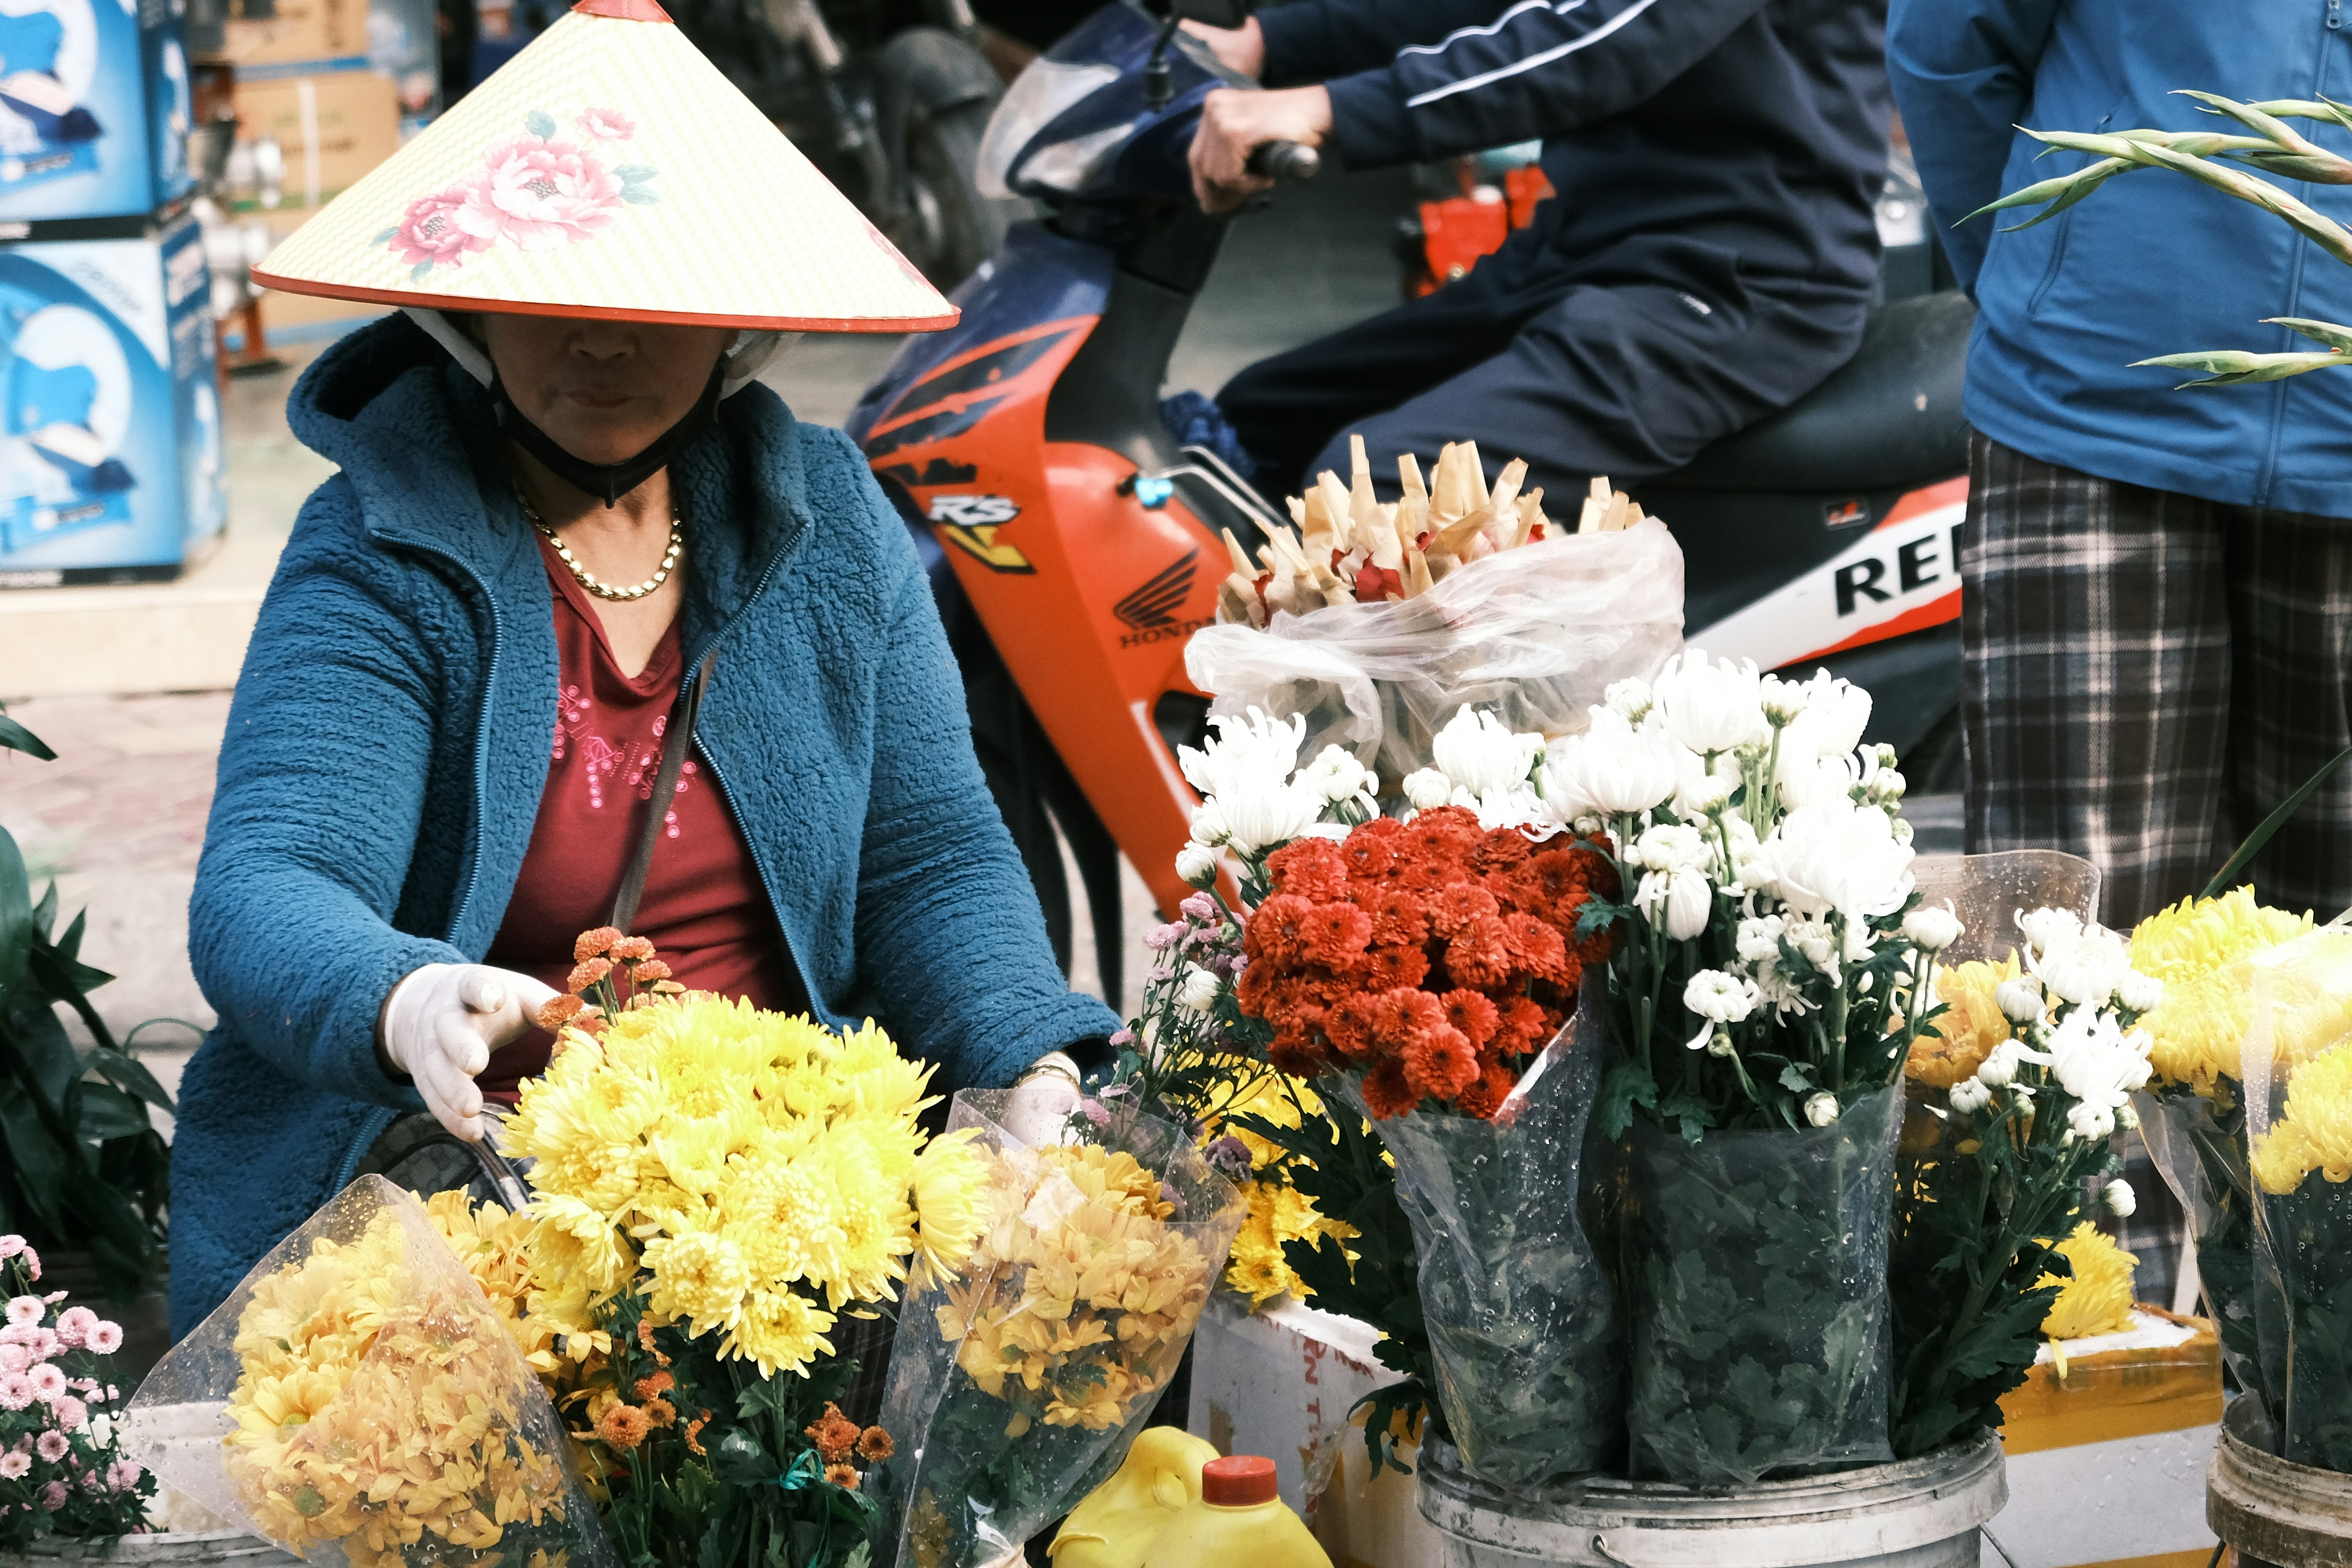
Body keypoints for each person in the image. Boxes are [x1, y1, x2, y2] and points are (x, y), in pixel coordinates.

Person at [169, 0, 1119, 1341]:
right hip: (465, 1202)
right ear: (466, 308)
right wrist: (405, 999)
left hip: (789, 1193)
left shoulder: (832, 525)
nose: (601, 342)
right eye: (552, 301)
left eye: (651, 303)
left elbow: (932, 856)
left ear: (735, 321)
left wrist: (1027, 1062)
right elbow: (273, 882)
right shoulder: (380, 547)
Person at [1886, 5, 2352, 928]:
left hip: (2340, 441)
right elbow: (1950, 42)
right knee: (2068, 964)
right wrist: (2045, 273)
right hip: (2091, 417)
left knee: (2331, 982)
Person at [1181, 0, 1893, 503]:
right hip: (1589, 247)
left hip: (1742, 283)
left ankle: (1482, 722)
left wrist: (1333, 108)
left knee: (1388, 488)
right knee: (1256, 424)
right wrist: (1270, 42)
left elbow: (1612, 38)